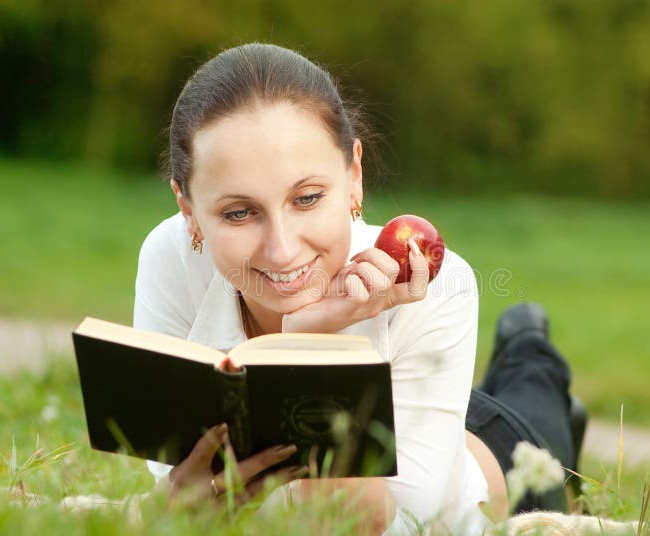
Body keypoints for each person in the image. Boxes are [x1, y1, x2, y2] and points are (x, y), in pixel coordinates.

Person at [133, 43, 581, 534]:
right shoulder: (169, 259)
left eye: (306, 198)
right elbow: (175, 472)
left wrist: (312, 346)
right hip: (398, 399)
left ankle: (529, 345)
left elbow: (376, 525)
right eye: (239, 213)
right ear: (188, 208)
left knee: (537, 400)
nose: (281, 251)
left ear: (354, 176)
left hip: (485, 447)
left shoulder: (431, 283)